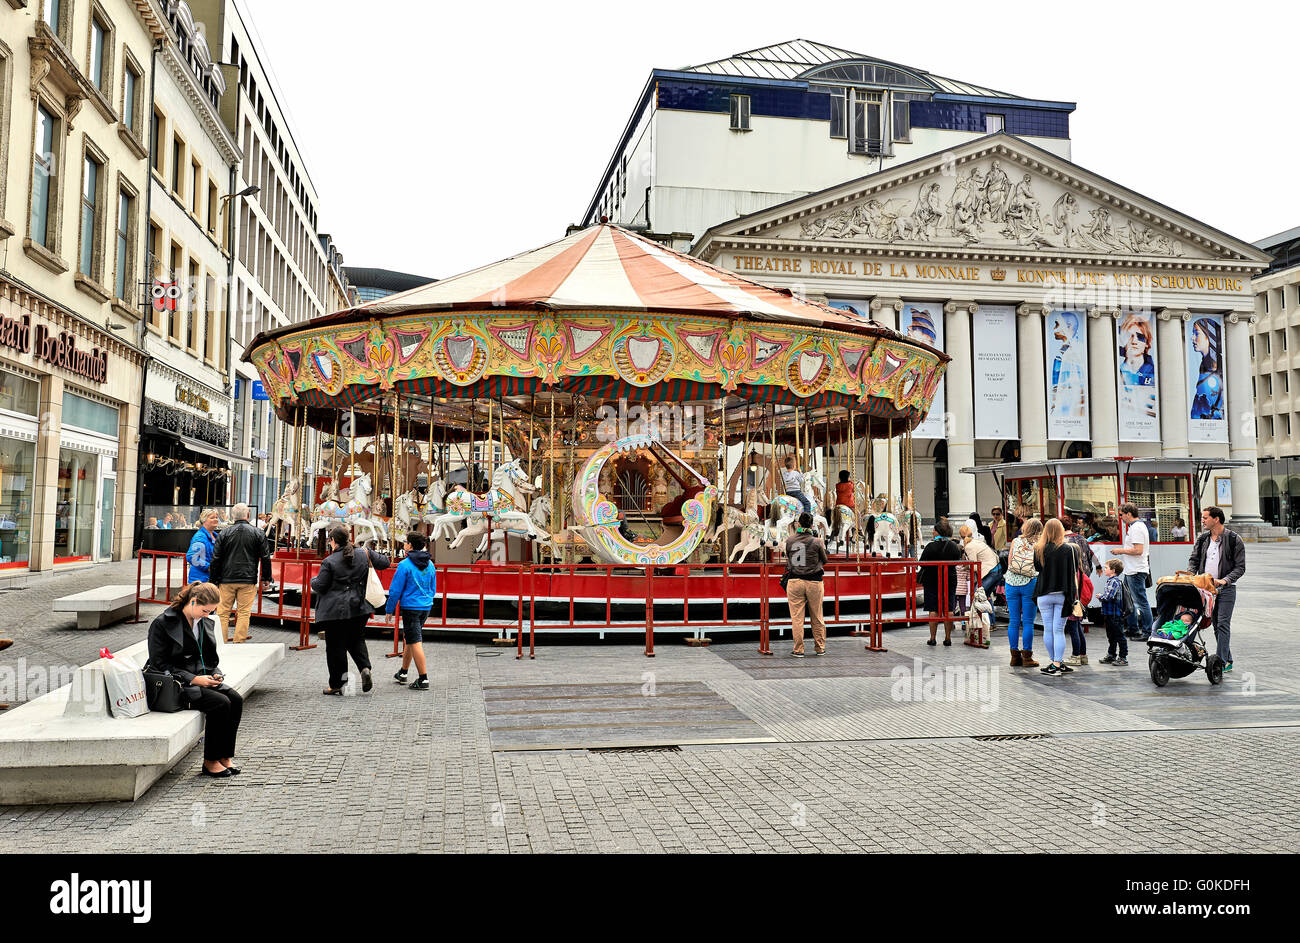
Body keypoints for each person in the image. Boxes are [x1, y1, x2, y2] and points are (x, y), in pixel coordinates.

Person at [146, 582, 243, 778]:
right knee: (220, 703)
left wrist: (215, 673)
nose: (207, 615)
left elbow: (208, 658)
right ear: (193, 601)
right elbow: (159, 664)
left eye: (211, 612)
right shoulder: (162, 623)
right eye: (205, 611)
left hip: (197, 680)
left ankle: (224, 756)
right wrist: (194, 679)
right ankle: (210, 762)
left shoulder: (202, 621)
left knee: (236, 699)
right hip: (173, 685)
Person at [312, 525, 390, 695]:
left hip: (335, 610)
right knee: (356, 639)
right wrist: (369, 554)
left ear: (333, 541)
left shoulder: (329, 561)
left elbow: (321, 585)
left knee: (335, 646)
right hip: (359, 606)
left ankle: (337, 684)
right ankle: (364, 668)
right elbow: (385, 563)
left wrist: (313, 581)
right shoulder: (363, 553)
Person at [1187, 506, 1245, 672]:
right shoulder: (1203, 538)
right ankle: (1227, 660)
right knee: (1216, 625)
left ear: (1216, 519)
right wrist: (1191, 575)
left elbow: (1240, 567)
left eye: (1205, 518)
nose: (1202, 521)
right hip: (1206, 589)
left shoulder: (1234, 539)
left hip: (1226, 589)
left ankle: (1219, 663)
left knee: (1223, 624)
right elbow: (1194, 560)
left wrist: (1225, 580)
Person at [209, 503, 272, 644]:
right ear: (248, 515)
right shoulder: (258, 533)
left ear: (233, 516)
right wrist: (266, 578)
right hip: (248, 579)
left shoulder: (224, 533)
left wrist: (213, 580)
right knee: (244, 612)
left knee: (223, 613)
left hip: (226, 579)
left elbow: (216, 558)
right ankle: (239, 642)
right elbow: (265, 557)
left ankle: (221, 643)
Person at [386, 533, 437, 691]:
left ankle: (423, 678)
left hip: (410, 607)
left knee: (415, 641)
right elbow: (433, 588)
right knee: (410, 638)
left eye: (405, 542)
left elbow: (395, 590)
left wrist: (389, 609)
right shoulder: (430, 564)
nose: (404, 544)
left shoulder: (404, 565)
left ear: (411, 545)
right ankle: (403, 672)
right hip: (425, 606)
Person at [1034, 518, 1078, 676]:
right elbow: (1073, 571)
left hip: (1044, 593)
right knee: (1059, 630)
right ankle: (1057, 663)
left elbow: (1037, 568)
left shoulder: (1039, 549)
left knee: (1048, 629)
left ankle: (1054, 662)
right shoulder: (1069, 549)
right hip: (1062, 594)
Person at [784, 512, 827, 657]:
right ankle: (820, 647)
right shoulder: (817, 541)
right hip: (814, 581)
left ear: (798, 524)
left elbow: (788, 558)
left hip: (795, 580)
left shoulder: (790, 540)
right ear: (811, 525)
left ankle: (798, 649)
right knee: (817, 616)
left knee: (797, 618)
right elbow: (825, 560)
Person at [1003, 517, 1043, 667]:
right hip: (1029, 583)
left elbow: (1010, 562)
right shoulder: (1039, 545)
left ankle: (1014, 657)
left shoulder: (1016, 541)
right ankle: (1027, 657)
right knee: (1028, 622)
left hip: (1011, 583)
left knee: (1013, 621)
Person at [919, 517, 964, 646]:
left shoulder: (930, 546)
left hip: (931, 579)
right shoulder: (953, 546)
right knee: (949, 607)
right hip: (950, 579)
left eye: (934, 530)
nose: (932, 532)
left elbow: (922, 562)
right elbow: (957, 561)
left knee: (933, 608)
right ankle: (948, 638)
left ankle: (932, 638)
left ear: (938, 531)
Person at [1112, 504, 1153, 640]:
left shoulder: (1137, 528)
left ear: (1128, 514)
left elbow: (1138, 550)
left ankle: (1147, 632)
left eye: (1121, 515)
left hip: (1136, 570)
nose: (1120, 517)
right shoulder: (1136, 527)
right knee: (1128, 600)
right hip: (1131, 569)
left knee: (1141, 601)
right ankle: (1132, 628)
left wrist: (1120, 551)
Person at [1096, 558, 1130, 666]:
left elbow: (1109, 597)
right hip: (1110, 613)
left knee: (1119, 635)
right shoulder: (1111, 581)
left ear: (1113, 570)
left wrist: (1100, 596)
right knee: (1111, 636)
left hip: (1115, 614)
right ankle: (1111, 654)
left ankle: (1123, 657)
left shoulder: (1114, 582)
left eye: (1106, 568)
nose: (1104, 569)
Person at [960, 523, 1001, 603]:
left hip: (991, 572)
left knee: (978, 594)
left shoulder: (969, 546)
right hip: (997, 569)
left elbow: (974, 566)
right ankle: (989, 611)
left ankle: (981, 612)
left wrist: (964, 567)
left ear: (961, 536)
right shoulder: (976, 542)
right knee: (985, 596)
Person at [185, 508, 220, 585]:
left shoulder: (216, 536)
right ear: (204, 520)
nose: (216, 519)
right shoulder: (200, 537)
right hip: (200, 581)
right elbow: (192, 557)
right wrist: (209, 567)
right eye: (212, 518)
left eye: (216, 517)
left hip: (209, 580)